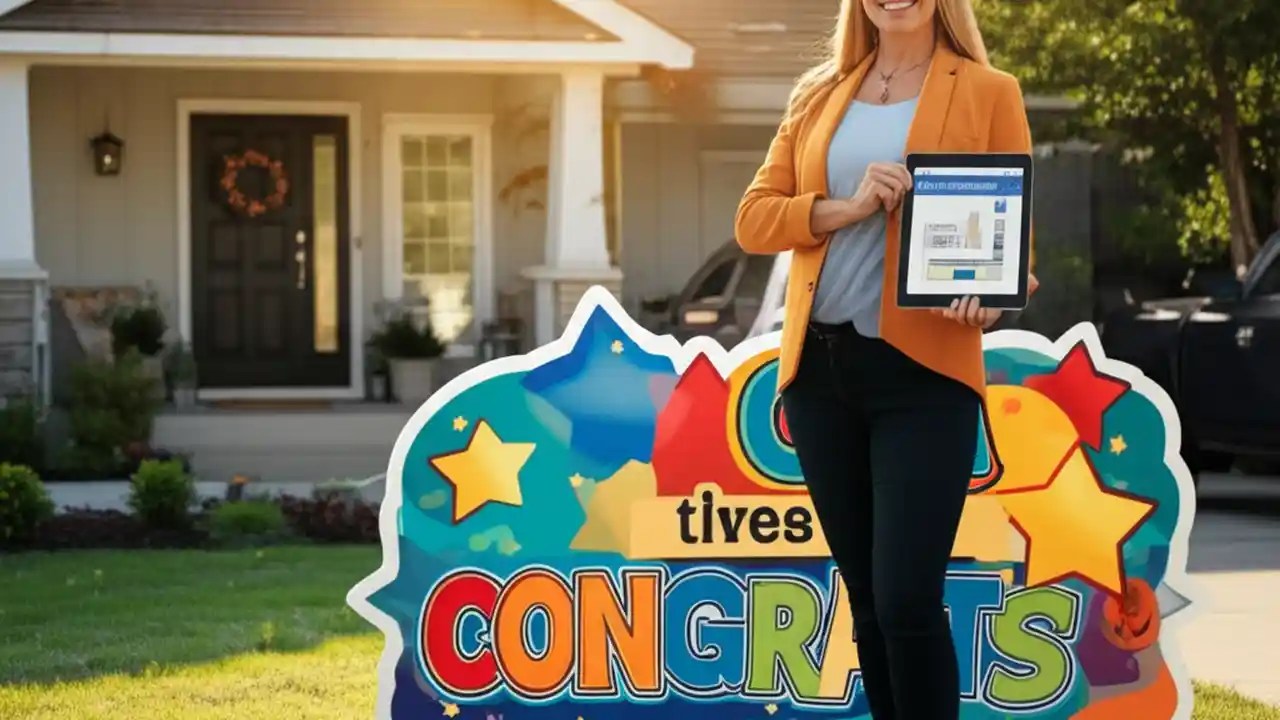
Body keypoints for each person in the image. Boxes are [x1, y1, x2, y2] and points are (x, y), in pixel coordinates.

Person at [734, 0, 1036, 717]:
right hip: (820, 378)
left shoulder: (991, 91)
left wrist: (989, 300)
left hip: (925, 378)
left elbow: (1014, 248)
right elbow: (753, 219)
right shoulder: (817, 91)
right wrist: (847, 206)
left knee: (906, 596)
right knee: (866, 598)